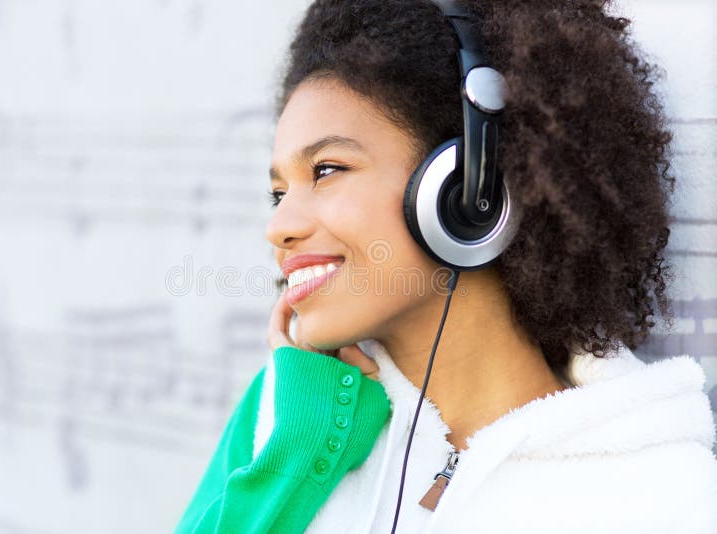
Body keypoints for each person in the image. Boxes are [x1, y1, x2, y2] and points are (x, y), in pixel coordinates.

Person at [174, 0, 717, 532]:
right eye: (278, 193)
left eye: (327, 169)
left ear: (465, 191)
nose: (279, 227)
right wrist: (296, 461)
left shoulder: (659, 498)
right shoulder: (290, 415)